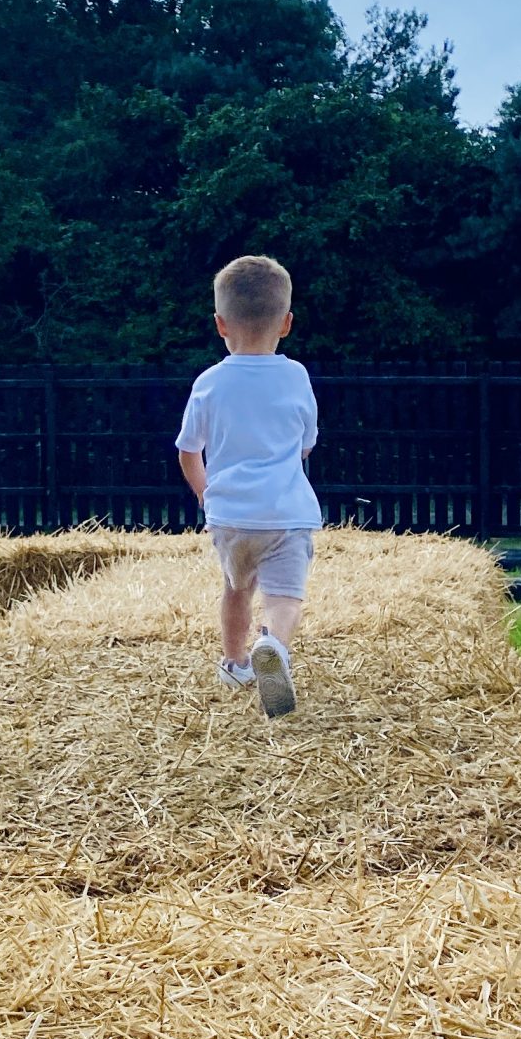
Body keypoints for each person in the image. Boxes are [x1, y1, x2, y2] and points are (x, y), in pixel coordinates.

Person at [174, 253, 321, 718]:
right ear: (287, 323)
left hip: (231, 516)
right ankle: (273, 644)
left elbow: (188, 451)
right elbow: (306, 445)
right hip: (286, 514)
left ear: (220, 324)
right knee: (284, 596)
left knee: (236, 588)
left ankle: (235, 663)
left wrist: (206, 495)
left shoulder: (209, 383)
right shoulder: (296, 377)